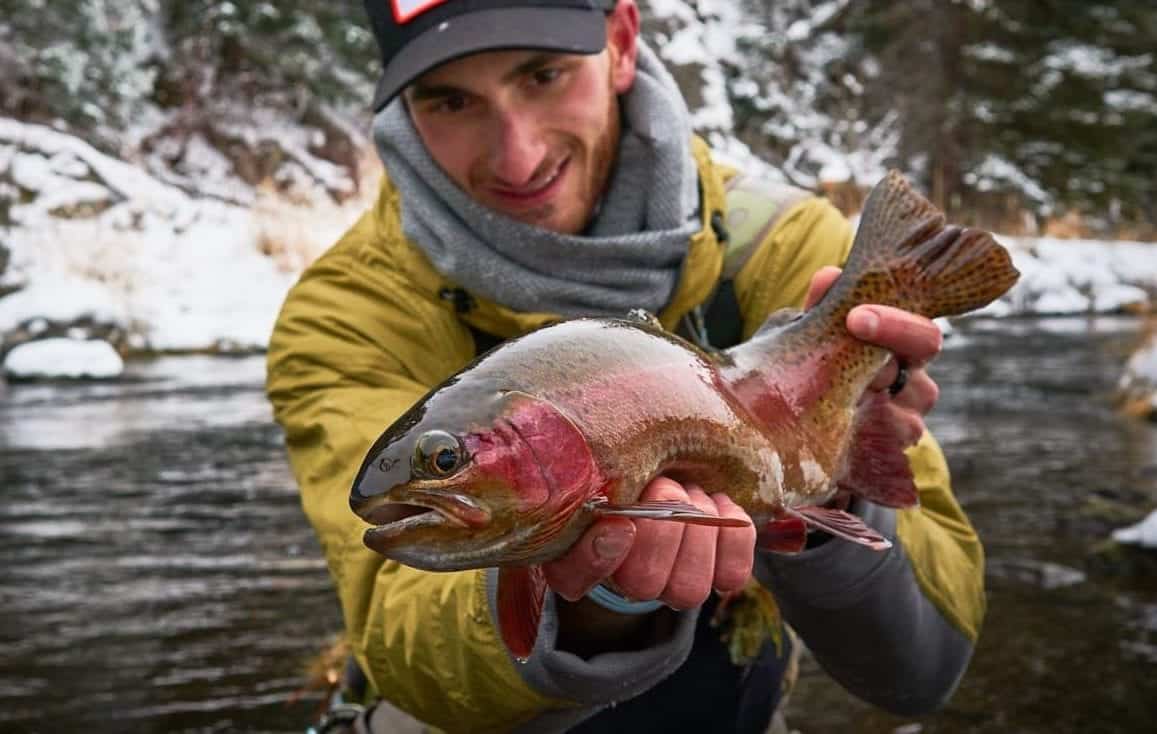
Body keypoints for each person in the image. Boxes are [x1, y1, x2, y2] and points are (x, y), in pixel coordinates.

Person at [265, 1, 985, 731]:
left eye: (542, 75)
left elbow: (921, 671)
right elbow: (401, 632)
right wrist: (585, 603)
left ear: (620, 42)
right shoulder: (345, 314)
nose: (517, 156)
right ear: (400, 109)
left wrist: (837, 461)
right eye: (450, 100)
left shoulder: (790, 251)